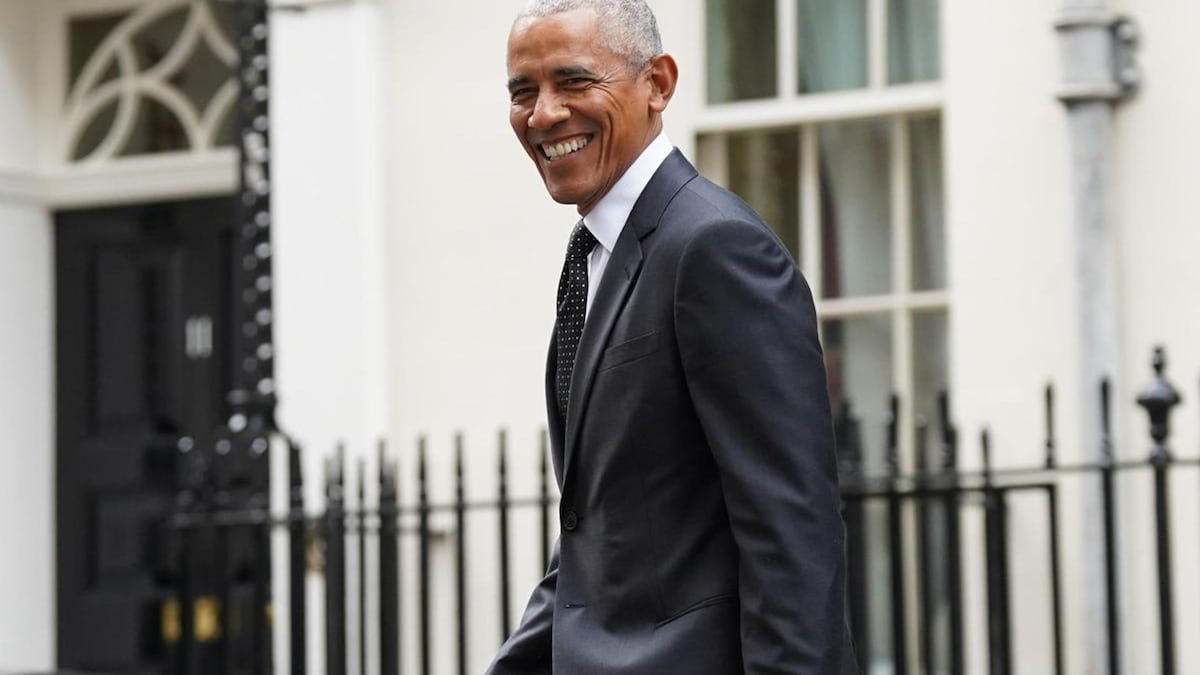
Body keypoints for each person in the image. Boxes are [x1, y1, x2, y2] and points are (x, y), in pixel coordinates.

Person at [488, 1, 857, 673]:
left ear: (657, 83)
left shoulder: (715, 246)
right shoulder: (592, 256)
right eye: (523, 91)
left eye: (573, 81)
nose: (543, 114)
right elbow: (593, 536)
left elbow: (791, 535)